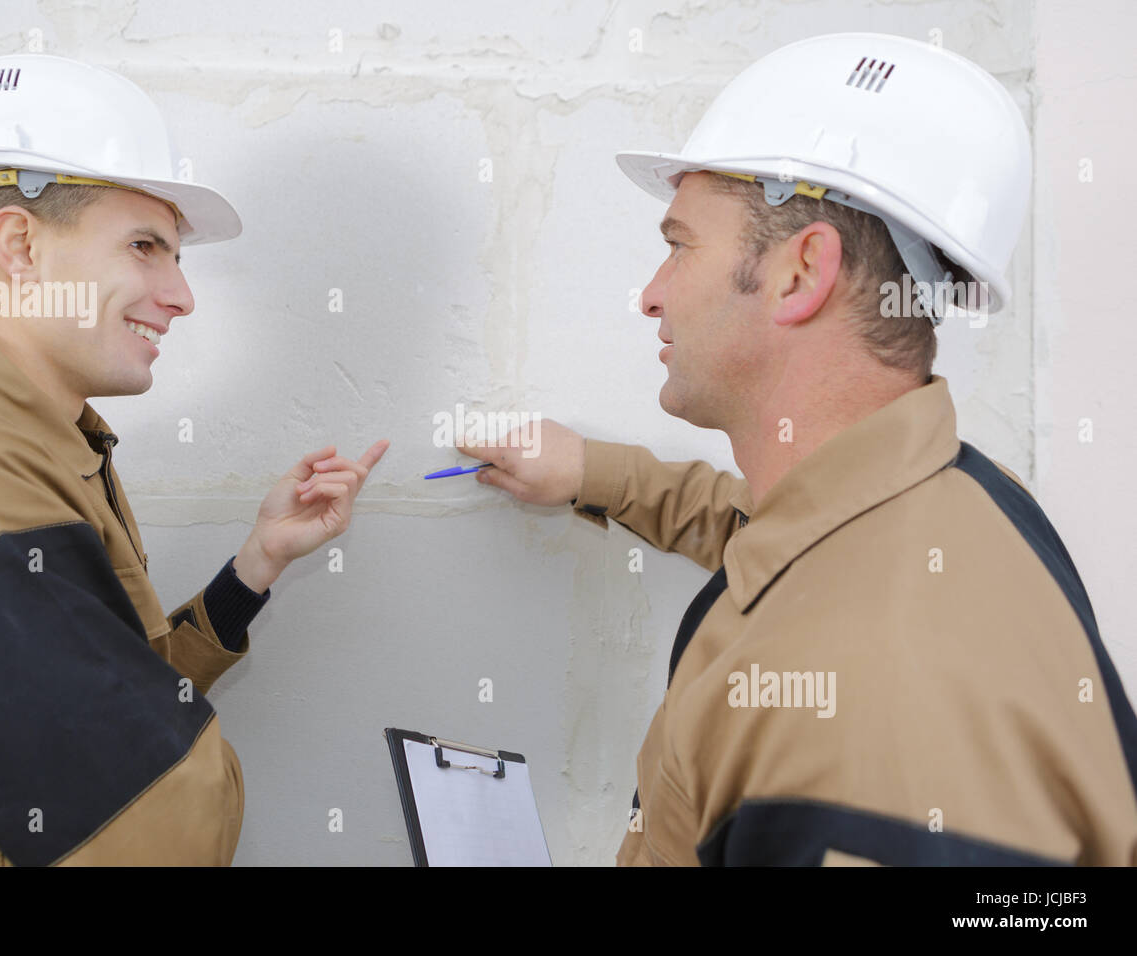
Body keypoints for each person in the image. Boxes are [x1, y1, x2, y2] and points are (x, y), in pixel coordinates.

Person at [460, 32, 1137, 865]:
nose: (650, 294)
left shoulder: (865, 708)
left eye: (679, 245)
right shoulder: (949, 499)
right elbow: (780, 536)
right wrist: (593, 474)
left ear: (800, 273)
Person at [0, 54, 387, 865]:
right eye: (144, 246)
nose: (181, 295)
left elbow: (110, 696)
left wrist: (253, 568)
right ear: (19, 245)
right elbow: (160, 824)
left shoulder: (20, 439)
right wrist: (201, 767)